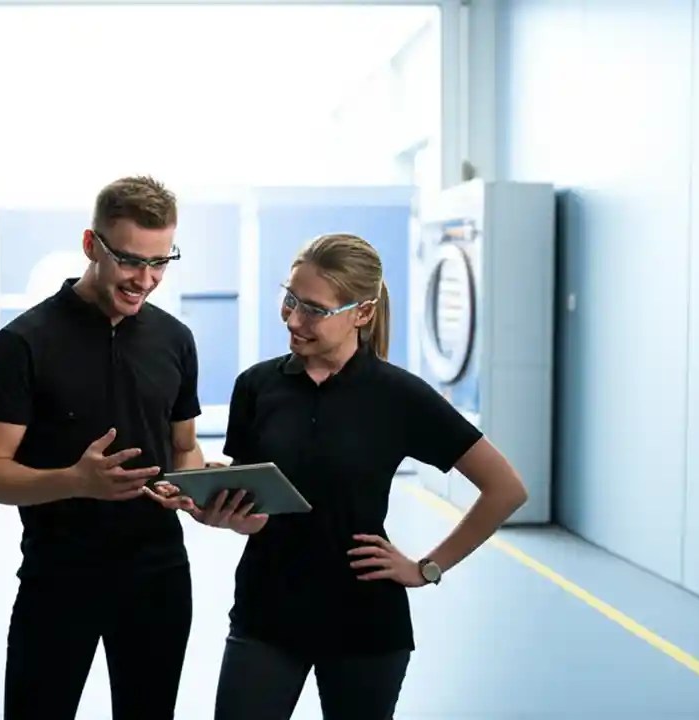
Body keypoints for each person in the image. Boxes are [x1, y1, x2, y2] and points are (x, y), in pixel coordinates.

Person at [150, 233, 528, 720]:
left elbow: (506, 489)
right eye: (289, 299)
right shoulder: (257, 386)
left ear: (362, 313)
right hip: (267, 612)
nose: (292, 319)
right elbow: (260, 509)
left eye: (313, 309)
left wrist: (426, 567)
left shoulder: (399, 397)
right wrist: (225, 515)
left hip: (365, 622)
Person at [0, 175, 206, 720]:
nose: (144, 279)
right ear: (90, 245)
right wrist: (76, 480)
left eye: (160, 262)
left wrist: (192, 486)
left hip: (158, 577)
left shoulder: (175, 340)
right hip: (59, 578)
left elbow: (185, 445)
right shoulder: (23, 344)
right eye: (128, 260)